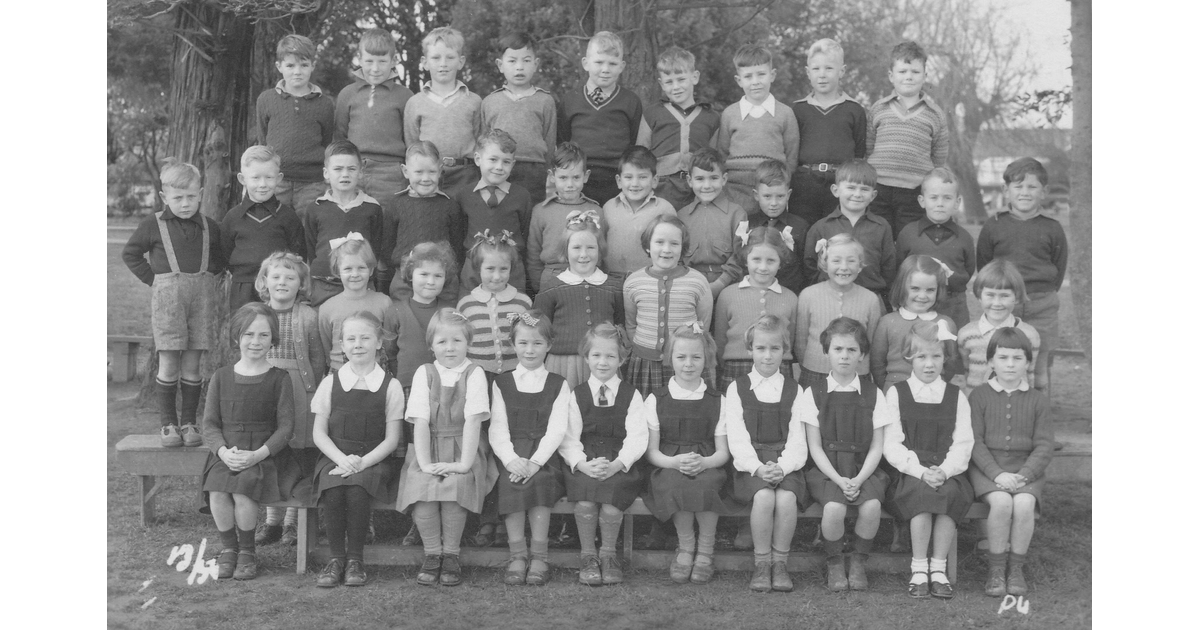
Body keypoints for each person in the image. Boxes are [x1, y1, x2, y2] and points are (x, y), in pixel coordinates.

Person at [122, 160, 225, 447]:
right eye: (178, 198)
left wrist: (209, 276)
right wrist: (153, 279)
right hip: (168, 302)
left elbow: (220, 258)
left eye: (191, 197)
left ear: (201, 193)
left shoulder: (210, 227)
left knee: (193, 363)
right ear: (165, 197)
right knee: (168, 361)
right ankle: (168, 423)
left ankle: (189, 422)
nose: (185, 203)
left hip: (201, 302)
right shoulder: (152, 225)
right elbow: (131, 254)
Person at [396, 309, 498, 587]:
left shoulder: (474, 373)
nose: (450, 348)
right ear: (431, 345)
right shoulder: (424, 373)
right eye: (442, 342)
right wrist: (425, 463)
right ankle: (432, 554)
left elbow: (473, 421)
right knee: (422, 494)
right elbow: (419, 420)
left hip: (464, 446)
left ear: (468, 343)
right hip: (427, 446)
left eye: (457, 341)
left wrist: (464, 464)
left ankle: (451, 554)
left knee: (454, 492)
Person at [201, 303, 302, 580]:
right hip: (227, 452)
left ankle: (247, 551)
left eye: (263, 335)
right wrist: (222, 452)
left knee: (243, 489)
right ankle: (229, 549)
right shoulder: (221, 377)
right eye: (248, 334)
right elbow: (209, 424)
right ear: (237, 337)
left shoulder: (279, 378)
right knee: (219, 490)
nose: (255, 342)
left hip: (265, 455)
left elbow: (286, 427)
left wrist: (258, 455)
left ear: (273, 340)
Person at [310, 311, 404, 587]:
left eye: (365, 337)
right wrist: (342, 459)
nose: (358, 343)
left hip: (374, 459)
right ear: (342, 344)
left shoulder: (391, 386)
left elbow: (391, 440)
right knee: (334, 486)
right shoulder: (330, 383)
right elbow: (319, 433)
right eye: (351, 338)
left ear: (378, 343)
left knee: (358, 487)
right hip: (333, 456)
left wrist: (360, 463)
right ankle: (336, 558)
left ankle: (355, 560)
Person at [882, 321, 974, 599]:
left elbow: (963, 442)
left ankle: (939, 568)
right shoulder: (897, 393)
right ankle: (919, 567)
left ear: (945, 358)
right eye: (922, 356)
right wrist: (921, 471)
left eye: (936, 356)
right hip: (911, 470)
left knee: (947, 495)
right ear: (909, 358)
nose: (929, 364)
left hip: (948, 470)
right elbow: (892, 443)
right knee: (921, 496)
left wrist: (945, 471)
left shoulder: (957, 396)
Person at [802, 317, 892, 592]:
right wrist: (840, 481)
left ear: (862, 355)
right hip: (828, 469)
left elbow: (878, 445)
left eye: (851, 350)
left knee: (872, 506)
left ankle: (858, 562)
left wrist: (860, 477)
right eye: (838, 349)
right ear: (826, 352)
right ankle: (834, 562)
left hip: (863, 467)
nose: (844, 356)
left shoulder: (874, 393)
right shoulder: (813, 393)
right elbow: (814, 446)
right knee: (834, 507)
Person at [724, 315, 809, 593]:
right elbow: (737, 438)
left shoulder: (796, 390)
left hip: (786, 464)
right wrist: (759, 469)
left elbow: (798, 439)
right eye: (760, 349)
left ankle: (780, 563)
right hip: (751, 466)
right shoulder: (737, 388)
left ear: (784, 352)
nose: (768, 355)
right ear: (749, 350)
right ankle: (761, 564)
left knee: (785, 499)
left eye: (774, 349)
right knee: (763, 496)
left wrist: (782, 468)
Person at [560, 322, 649, 585]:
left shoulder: (631, 395)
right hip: (586, 461)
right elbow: (568, 438)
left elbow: (637, 436)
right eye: (596, 355)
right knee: (586, 501)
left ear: (622, 359)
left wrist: (618, 464)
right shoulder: (577, 394)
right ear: (586, 357)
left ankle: (609, 555)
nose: (602, 362)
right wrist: (583, 464)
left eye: (610, 356)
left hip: (618, 461)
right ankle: (588, 556)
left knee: (611, 499)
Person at [969, 327, 1055, 597]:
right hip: (987, 469)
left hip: (1024, 471)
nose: (1009, 364)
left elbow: (1044, 445)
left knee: (1025, 503)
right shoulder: (979, 395)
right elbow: (974, 441)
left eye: (1017, 358)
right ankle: (996, 568)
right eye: (1003, 358)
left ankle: (1015, 567)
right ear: (991, 361)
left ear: (1028, 362)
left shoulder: (1038, 400)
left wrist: (1025, 475)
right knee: (1003, 501)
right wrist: (996, 474)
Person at [642, 323, 730, 584]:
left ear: (707, 359)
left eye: (696, 357)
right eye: (681, 357)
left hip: (707, 461)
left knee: (707, 484)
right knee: (674, 485)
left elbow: (723, 452)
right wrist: (673, 462)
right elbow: (651, 452)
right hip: (669, 463)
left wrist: (705, 462)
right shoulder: (656, 399)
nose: (688, 364)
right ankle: (686, 546)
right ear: (670, 358)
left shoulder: (717, 400)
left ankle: (706, 550)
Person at [488, 311, 570, 585]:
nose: (530, 349)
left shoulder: (559, 384)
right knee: (511, 483)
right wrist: (511, 459)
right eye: (523, 343)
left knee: (541, 482)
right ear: (513, 345)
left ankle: (539, 556)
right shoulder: (502, 383)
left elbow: (557, 429)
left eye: (537, 343)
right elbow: (497, 428)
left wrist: (535, 462)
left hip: (544, 457)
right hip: (512, 453)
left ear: (549, 345)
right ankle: (517, 555)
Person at [975, 157, 1067, 393]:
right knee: (1003, 358)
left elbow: (1058, 269)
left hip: (1042, 306)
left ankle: (1038, 412)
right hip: (1004, 305)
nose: (1025, 192)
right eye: (1018, 186)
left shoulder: (1052, 228)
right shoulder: (994, 225)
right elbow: (985, 266)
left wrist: (1038, 295)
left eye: (1032, 187)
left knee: (1040, 364)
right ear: (1006, 190)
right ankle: (1002, 409)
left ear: (1044, 192)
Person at [253, 253, 327, 547]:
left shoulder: (309, 316)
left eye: (290, 277)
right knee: (272, 453)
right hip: (266, 389)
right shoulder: (256, 314)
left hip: (300, 389)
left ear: (302, 284)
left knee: (297, 454)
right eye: (276, 276)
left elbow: (318, 359)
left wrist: (312, 390)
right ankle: (272, 521)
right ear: (264, 282)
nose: (282, 282)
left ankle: (292, 523)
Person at [866, 40, 949, 239]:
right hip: (879, 191)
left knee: (909, 243)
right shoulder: (878, 109)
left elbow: (938, 160)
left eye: (915, 72)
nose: (908, 77)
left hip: (913, 193)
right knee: (877, 241)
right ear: (891, 76)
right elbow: (868, 148)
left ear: (925, 76)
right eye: (902, 72)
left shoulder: (935, 115)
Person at [623, 215, 713, 395]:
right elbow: (631, 324)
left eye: (674, 243)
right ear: (648, 246)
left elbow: (703, 324)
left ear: (683, 247)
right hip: (645, 364)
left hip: (684, 364)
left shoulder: (697, 282)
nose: (666, 249)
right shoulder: (633, 282)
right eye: (659, 242)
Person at [534, 210, 624, 389]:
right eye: (576, 248)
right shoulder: (552, 287)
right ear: (565, 251)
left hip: (603, 364)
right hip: (563, 365)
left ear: (600, 249)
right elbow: (540, 329)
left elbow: (620, 326)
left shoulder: (613, 286)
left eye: (591, 248)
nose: (584, 254)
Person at [558, 30, 643, 206]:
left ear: (622, 66)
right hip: (580, 181)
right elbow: (562, 141)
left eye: (612, 63)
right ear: (585, 63)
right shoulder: (570, 100)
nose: (605, 69)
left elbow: (635, 142)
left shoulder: (630, 101)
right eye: (599, 62)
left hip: (618, 182)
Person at [789, 38, 867, 227]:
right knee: (802, 234)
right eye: (816, 69)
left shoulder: (854, 110)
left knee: (838, 235)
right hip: (804, 184)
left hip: (840, 184)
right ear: (808, 73)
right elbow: (792, 151)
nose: (822, 75)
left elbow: (859, 152)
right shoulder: (797, 110)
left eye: (829, 68)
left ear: (842, 71)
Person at [713, 227, 801, 390]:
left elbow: (791, 340)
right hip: (736, 368)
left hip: (777, 368)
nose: (763, 267)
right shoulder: (728, 295)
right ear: (746, 259)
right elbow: (720, 340)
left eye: (770, 261)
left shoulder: (790, 298)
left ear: (780, 262)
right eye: (756, 259)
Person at [715, 43, 799, 214]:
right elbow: (722, 154)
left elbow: (791, 157)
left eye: (761, 74)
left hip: (771, 193)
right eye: (748, 77)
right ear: (739, 80)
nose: (755, 82)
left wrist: (779, 185)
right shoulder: (730, 114)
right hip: (735, 192)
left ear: (772, 75)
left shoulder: (785, 113)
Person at [256, 33, 335, 214]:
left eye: (304, 65)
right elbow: (263, 140)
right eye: (290, 65)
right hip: (276, 180)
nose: (297, 71)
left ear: (312, 66)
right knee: (274, 227)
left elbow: (327, 141)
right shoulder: (266, 99)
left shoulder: (324, 104)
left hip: (312, 183)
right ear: (279, 66)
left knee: (308, 230)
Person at [221, 145, 306, 310]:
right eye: (255, 178)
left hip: (277, 287)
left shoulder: (288, 216)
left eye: (269, 177)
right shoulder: (233, 217)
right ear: (242, 179)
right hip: (243, 288)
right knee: (245, 330)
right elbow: (225, 252)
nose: (263, 184)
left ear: (279, 178)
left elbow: (298, 253)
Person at [334, 28, 414, 203]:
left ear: (393, 61)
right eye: (369, 61)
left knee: (387, 223)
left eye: (382, 61)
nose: (375, 69)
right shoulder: (347, 94)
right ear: (359, 59)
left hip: (391, 174)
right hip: (354, 169)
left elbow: (410, 139)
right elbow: (340, 137)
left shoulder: (405, 96)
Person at [302, 140, 386, 307]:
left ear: (361, 173)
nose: (345, 174)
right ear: (326, 173)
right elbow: (311, 250)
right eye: (338, 169)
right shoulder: (315, 208)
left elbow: (374, 250)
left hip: (360, 283)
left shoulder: (372, 208)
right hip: (324, 284)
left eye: (351, 169)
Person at [637, 46, 721, 210]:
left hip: (698, 189)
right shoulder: (652, 113)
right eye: (669, 82)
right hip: (660, 189)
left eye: (681, 79)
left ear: (694, 77)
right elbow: (641, 155)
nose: (675, 87)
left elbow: (715, 159)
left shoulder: (710, 117)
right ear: (661, 84)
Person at [803, 159, 896, 306]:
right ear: (835, 190)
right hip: (829, 299)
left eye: (864, 189)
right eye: (851, 188)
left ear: (873, 195)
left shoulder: (882, 227)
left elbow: (889, 268)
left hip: (870, 298)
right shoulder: (821, 227)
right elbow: (810, 267)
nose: (857, 194)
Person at [403, 26, 483, 195]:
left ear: (460, 62)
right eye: (436, 58)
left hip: (466, 176)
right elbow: (412, 144)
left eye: (450, 57)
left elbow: (480, 140)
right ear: (425, 62)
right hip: (429, 176)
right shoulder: (415, 103)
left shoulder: (474, 101)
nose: (443, 64)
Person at [795, 234, 881, 389]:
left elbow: (871, 343)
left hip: (857, 374)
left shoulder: (871, 299)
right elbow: (801, 342)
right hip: (815, 372)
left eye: (851, 261)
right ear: (825, 264)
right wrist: (810, 364)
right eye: (836, 260)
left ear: (860, 266)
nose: (844, 267)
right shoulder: (808, 295)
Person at [895, 167, 976, 329]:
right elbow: (899, 269)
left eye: (947, 198)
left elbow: (968, 271)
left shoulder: (964, 237)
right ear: (922, 200)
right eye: (934, 197)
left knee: (954, 349)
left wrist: (949, 277)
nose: (940, 204)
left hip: (953, 304)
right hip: (917, 302)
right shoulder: (908, 233)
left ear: (957, 202)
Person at [482, 31, 556, 207]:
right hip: (498, 171)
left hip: (535, 172)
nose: (519, 67)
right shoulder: (490, 102)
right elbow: (483, 142)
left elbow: (550, 142)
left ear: (536, 64)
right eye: (512, 61)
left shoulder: (545, 101)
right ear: (500, 65)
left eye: (526, 60)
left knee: (530, 219)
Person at [455, 129, 532, 293]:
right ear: (477, 159)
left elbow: (525, 231)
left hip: (510, 269)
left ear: (513, 164)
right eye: (493, 159)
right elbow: (460, 232)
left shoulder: (521, 196)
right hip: (473, 268)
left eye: (506, 162)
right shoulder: (464, 195)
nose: (499, 167)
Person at [385, 142, 464, 302]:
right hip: (404, 281)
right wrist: (404, 267)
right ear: (405, 171)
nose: (425, 178)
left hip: (443, 280)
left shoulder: (450, 205)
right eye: (419, 172)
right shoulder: (396, 204)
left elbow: (457, 246)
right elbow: (386, 246)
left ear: (441, 171)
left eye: (432, 172)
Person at [870, 255, 959, 392]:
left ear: (938, 290)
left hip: (933, 389)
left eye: (930, 290)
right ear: (902, 287)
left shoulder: (945, 323)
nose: (922, 296)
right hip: (896, 389)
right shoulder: (887, 322)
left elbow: (950, 363)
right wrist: (887, 389)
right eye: (915, 288)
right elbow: (877, 363)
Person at [525, 142, 602, 294]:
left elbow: (601, 252)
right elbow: (533, 254)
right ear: (552, 177)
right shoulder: (541, 211)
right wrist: (539, 287)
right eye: (563, 178)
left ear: (586, 176)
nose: (570, 184)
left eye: (576, 177)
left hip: (587, 276)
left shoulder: (595, 211)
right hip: (551, 277)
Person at [456, 232, 533, 379]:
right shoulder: (466, 305)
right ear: (479, 268)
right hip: (478, 376)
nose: (497, 276)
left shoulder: (523, 303)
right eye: (490, 269)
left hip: (515, 375)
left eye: (503, 269)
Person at [957, 260, 1040, 395]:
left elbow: (1030, 375)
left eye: (1004, 296)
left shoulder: (1029, 334)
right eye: (990, 295)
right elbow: (967, 373)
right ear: (979, 296)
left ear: (1017, 297)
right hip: (976, 409)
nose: (997, 303)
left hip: (1015, 407)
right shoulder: (966, 334)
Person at [318, 236, 398, 373]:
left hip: (376, 371)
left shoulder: (384, 303)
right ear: (338, 271)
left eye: (361, 268)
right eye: (348, 269)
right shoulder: (327, 308)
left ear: (371, 270)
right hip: (339, 372)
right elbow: (326, 346)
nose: (355, 274)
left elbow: (389, 344)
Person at [390, 242, 460, 397]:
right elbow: (389, 353)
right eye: (424, 274)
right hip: (407, 385)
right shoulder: (395, 311)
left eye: (438, 276)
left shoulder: (449, 312)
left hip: (444, 384)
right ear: (410, 274)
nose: (431, 281)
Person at [599, 145, 678, 280]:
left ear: (654, 181)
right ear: (619, 181)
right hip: (612, 279)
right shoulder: (608, 208)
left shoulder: (664, 209)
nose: (635, 183)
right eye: (628, 177)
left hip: (650, 280)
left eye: (642, 177)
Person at [677, 147, 746, 296]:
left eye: (714, 178)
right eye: (700, 179)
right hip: (690, 285)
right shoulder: (682, 216)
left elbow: (740, 255)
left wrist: (720, 284)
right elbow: (678, 257)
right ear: (689, 181)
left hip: (729, 285)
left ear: (724, 179)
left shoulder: (736, 214)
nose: (707, 186)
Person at [744, 159, 809, 294]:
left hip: (788, 293)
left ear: (788, 195)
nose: (774, 203)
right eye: (767, 196)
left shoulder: (800, 226)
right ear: (756, 195)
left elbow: (804, 269)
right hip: (752, 293)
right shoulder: (748, 223)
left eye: (780, 196)